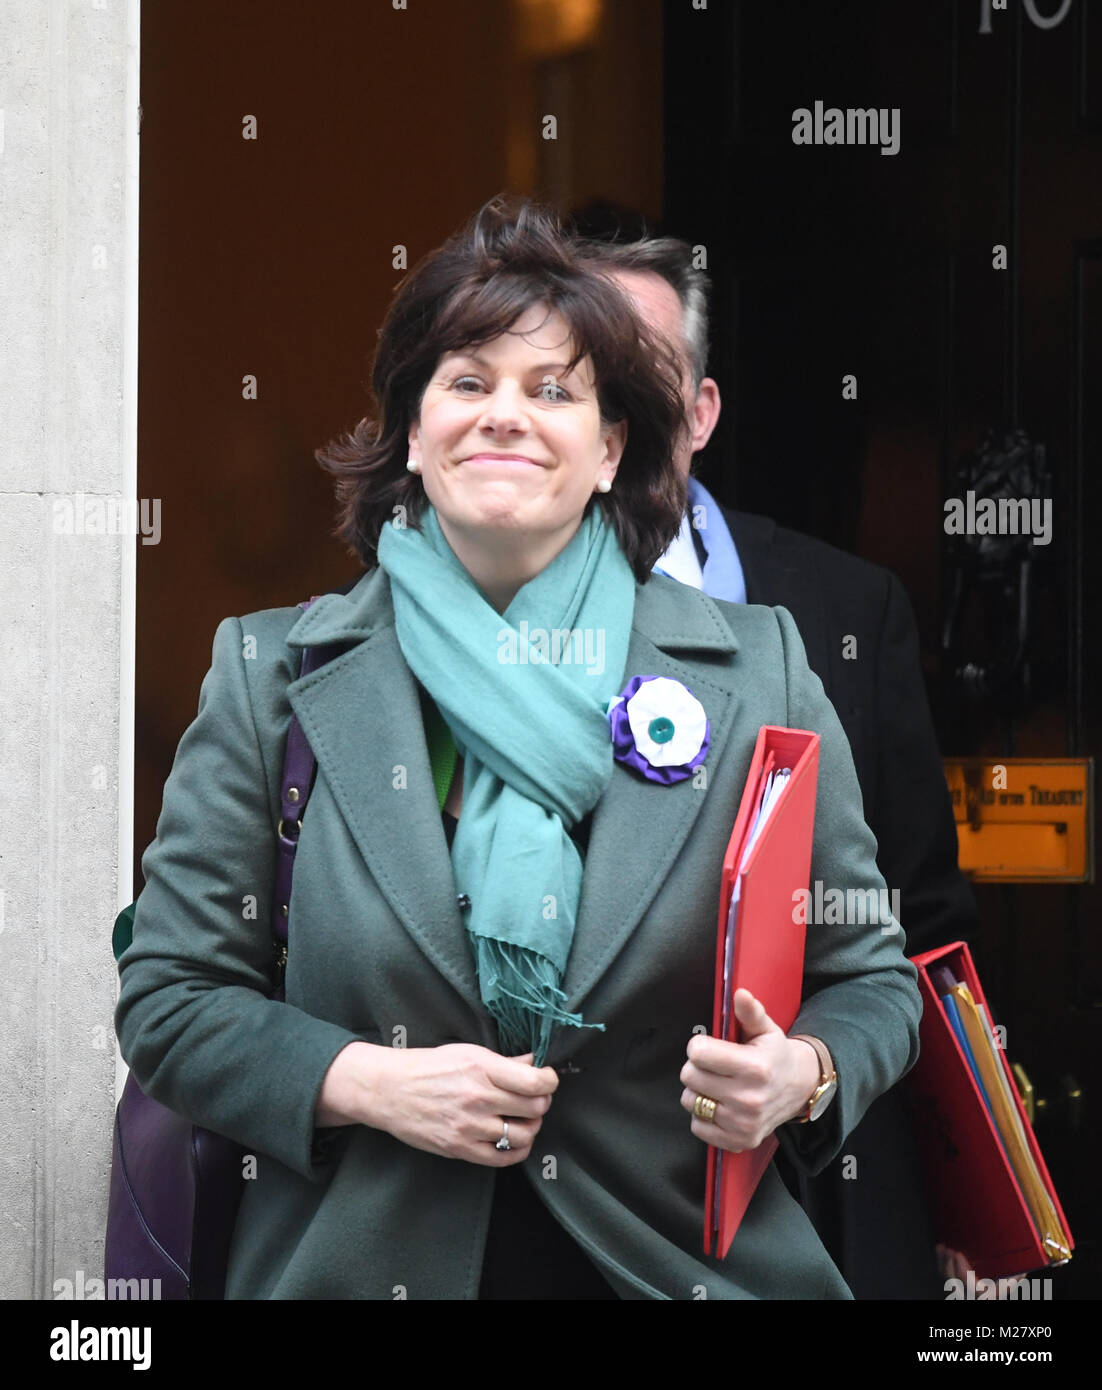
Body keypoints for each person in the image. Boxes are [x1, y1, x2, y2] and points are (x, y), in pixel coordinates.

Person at [114, 196, 922, 1301]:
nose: (505, 414)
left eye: (553, 390)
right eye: (466, 381)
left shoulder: (758, 666)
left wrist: (802, 1073)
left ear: (610, 449)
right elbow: (169, 996)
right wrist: (363, 1081)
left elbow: (873, 979)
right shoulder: (273, 677)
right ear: (412, 430)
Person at [582, 232, 980, 1299]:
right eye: (586, 378)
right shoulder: (486, 624)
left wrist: (970, 1194)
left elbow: (921, 920)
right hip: (593, 1193)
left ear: (701, 411)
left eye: (643, 377)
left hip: (833, 1175)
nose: (614, 410)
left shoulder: (845, 608)